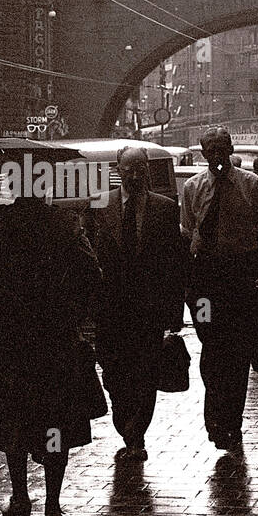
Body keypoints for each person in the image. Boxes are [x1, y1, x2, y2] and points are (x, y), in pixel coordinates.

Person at [0, 188, 103, 516]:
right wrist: (72, 309)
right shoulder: (64, 222)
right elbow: (92, 272)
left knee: (14, 417)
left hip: (12, 337)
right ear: (44, 188)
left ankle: (20, 496)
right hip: (54, 338)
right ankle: (53, 505)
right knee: (54, 421)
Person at [90, 145, 185, 463]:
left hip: (149, 307)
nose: (134, 174)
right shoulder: (101, 204)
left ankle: (136, 435)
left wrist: (175, 310)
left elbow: (175, 261)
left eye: (140, 168)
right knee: (114, 372)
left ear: (147, 170)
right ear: (118, 169)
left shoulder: (165, 207)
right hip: (110, 308)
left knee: (145, 373)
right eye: (128, 168)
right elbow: (90, 256)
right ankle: (124, 422)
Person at [181, 126, 258, 450]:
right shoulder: (193, 188)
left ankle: (231, 421)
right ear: (204, 154)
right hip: (206, 279)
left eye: (222, 149)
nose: (217, 157)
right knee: (212, 347)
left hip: (241, 277)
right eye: (211, 151)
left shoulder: (250, 185)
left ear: (231, 149)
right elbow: (187, 233)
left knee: (239, 351)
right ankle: (215, 415)